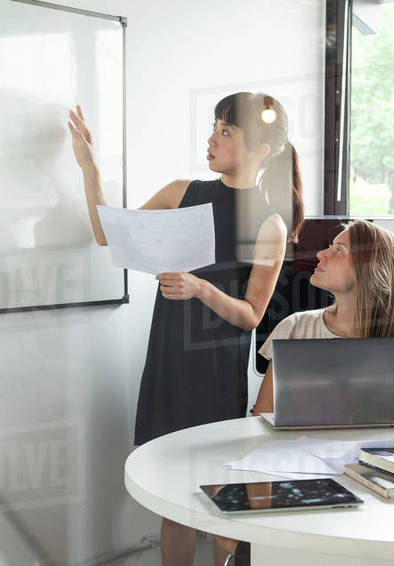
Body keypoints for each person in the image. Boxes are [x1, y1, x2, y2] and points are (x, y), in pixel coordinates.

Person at [67, 92, 303, 566]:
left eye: (225, 132)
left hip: (216, 373)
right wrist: (88, 166)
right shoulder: (183, 192)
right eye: (214, 127)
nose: (211, 139)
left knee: (218, 500)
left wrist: (201, 289)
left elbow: (252, 315)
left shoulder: (269, 224)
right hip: (169, 362)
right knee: (171, 500)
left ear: (259, 149)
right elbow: (106, 232)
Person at [250, 220, 394, 415]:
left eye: (338, 251)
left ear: (370, 270)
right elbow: (261, 417)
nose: (321, 254)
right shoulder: (294, 327)